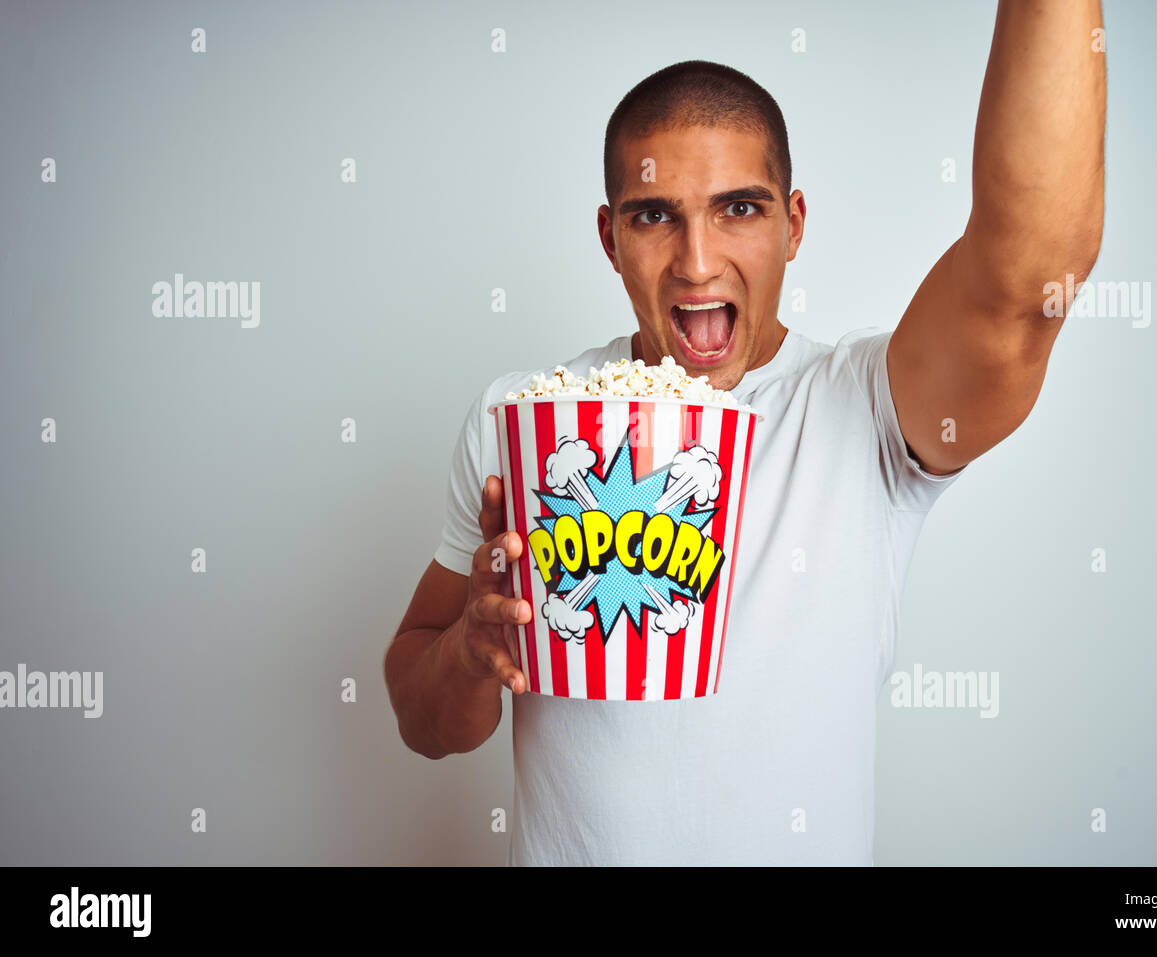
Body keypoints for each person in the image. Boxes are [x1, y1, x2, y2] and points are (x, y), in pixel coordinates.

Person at [384, 1, 1106, 865]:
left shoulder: (867, 409)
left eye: (738, 209)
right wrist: (470, 651)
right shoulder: (525, 419)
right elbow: (426, 724)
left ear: (793, 223)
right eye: (654, 215)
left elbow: (1024, 286)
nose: (695, 261)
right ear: (610, 237)